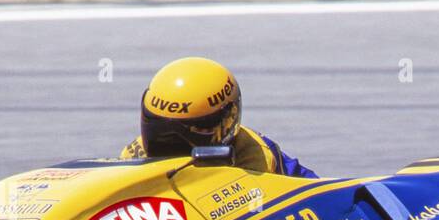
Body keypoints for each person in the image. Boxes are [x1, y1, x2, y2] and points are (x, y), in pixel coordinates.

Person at [121, 56, 316, 178]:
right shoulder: (132, 158)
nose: (169, 143)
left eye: (197, 128)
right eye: (159, 128)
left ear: (227, 121)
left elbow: (317, 194)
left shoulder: (257, 158)